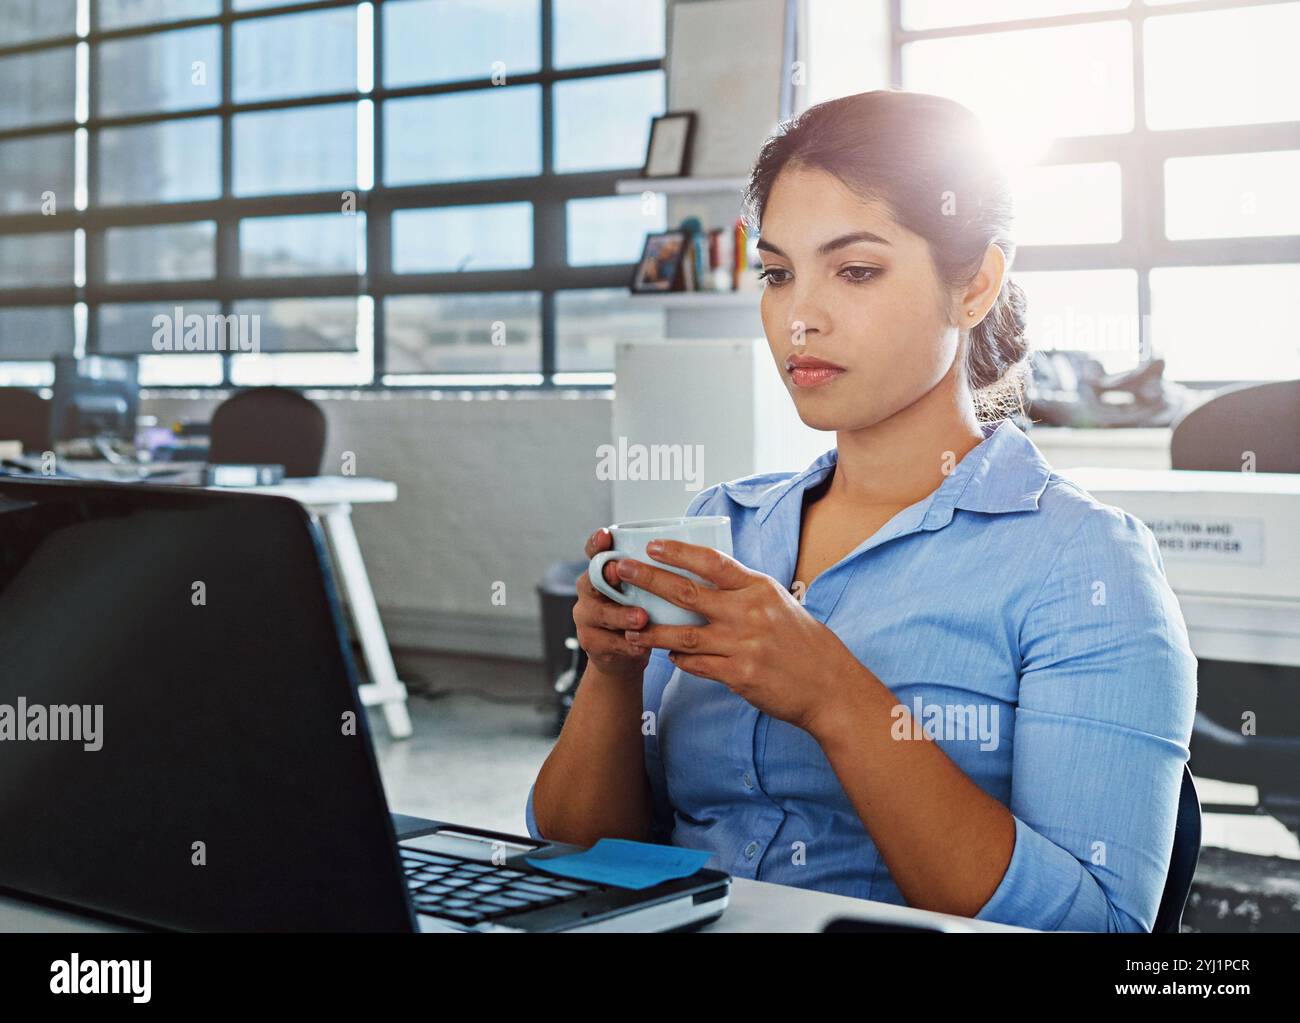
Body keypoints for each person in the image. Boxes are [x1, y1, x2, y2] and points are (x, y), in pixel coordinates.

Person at [526, 89, 1196, 932]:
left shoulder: (1082, 565)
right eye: (777, 274)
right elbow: (579, 860)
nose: (800, 317)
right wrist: (613, 676)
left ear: (976, 283)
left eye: (856, 270)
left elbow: (1097, 929)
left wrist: (835, 696)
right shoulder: (723, 525)